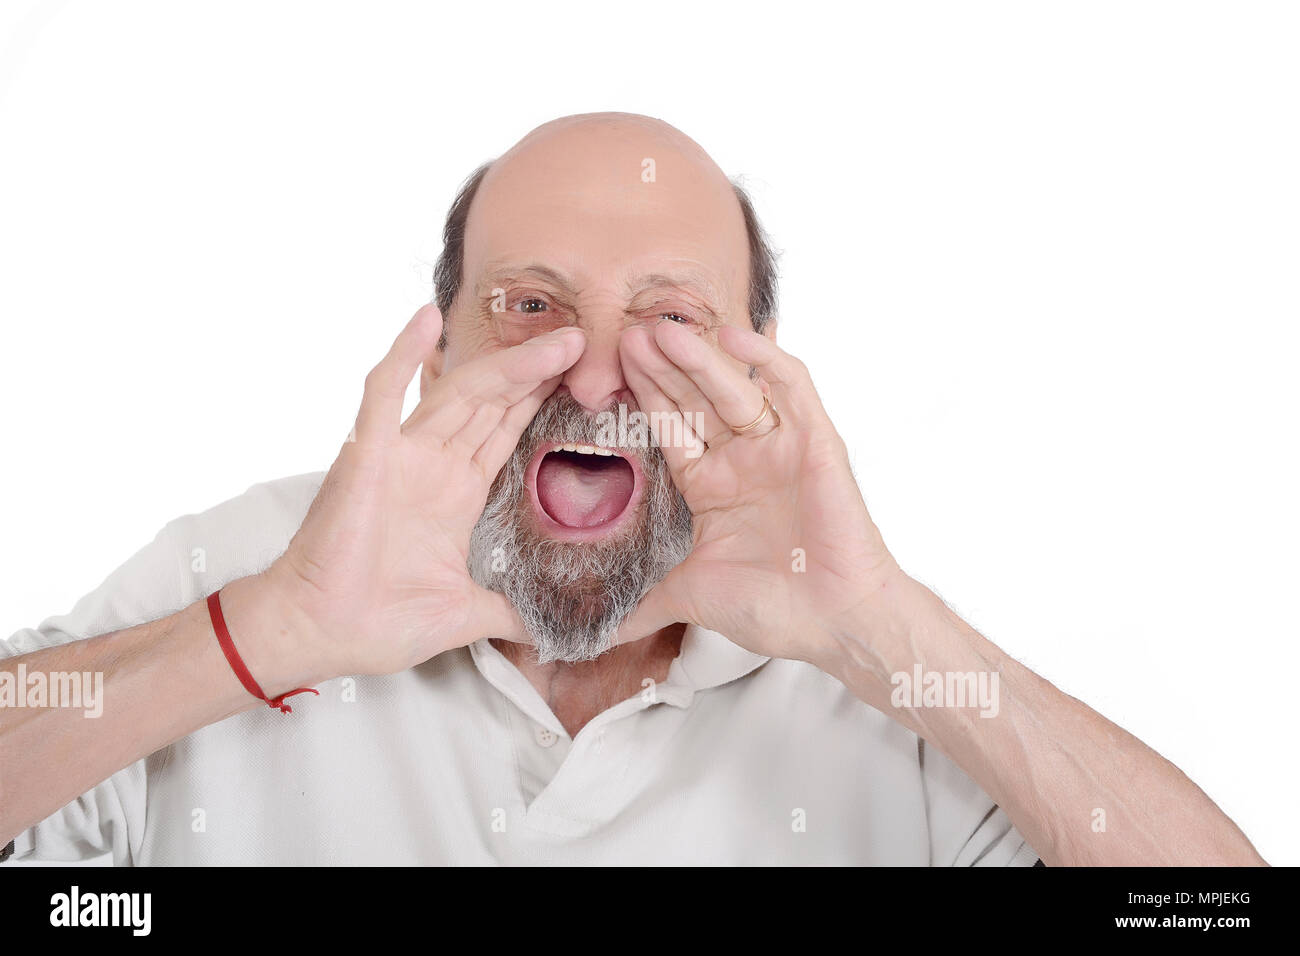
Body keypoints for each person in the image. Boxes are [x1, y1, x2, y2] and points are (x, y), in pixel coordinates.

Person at [0, 113, 1265, 865]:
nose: (598, 374)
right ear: (439, 348)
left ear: (757, 372)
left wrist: (874, 620)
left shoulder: (877, 681)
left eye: (670, 318)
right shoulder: (256, 566)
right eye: (530, 307)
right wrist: (273, 630)